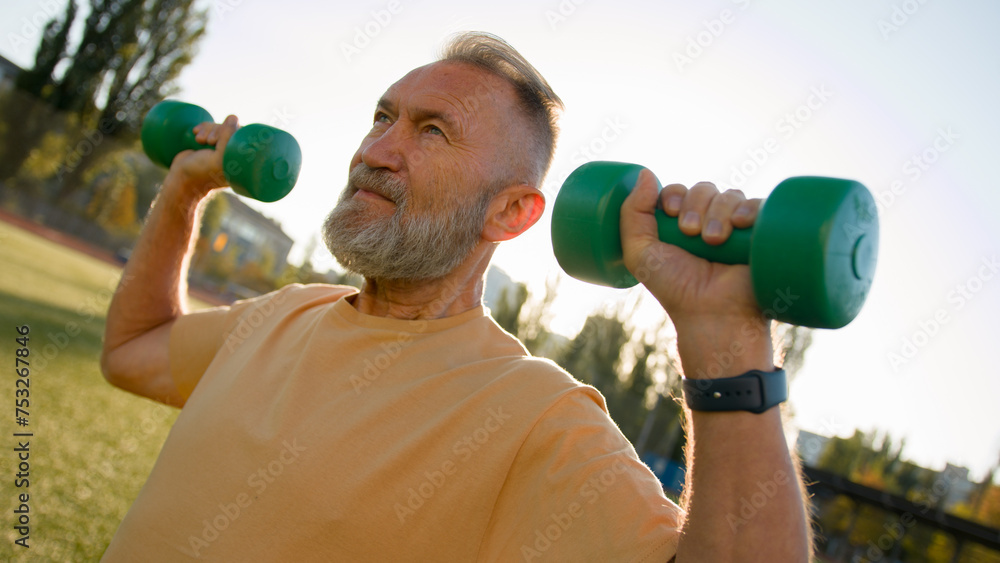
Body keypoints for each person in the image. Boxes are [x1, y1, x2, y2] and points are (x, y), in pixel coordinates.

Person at [100, 31, 810, 561]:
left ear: (511, 213)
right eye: (383, 117)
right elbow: (132, 351)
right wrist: (183, 190)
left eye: (432, 132)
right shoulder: (284, 312)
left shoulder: (534, 415)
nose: (375, 151)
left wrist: (728, 340)